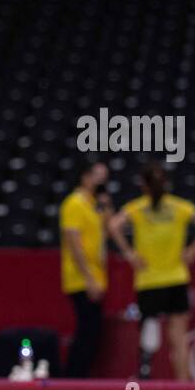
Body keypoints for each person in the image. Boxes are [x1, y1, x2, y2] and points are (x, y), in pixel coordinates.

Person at [107, 163, 195, 381]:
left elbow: (112, 225)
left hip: (149, 281)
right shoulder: (178, 206)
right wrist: (192, 251)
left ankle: (145, 383)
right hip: (175, 278)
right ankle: (184, 387)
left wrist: (129, 253)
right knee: (179, 338)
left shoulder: (138, 208)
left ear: (144, 185)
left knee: (149, 334)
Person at [59, 159, 111, 377]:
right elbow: (73, 244)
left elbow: (103, 239)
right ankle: (72, 377)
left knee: (93, 332)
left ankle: (79, 377)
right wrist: (88, 277)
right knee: (87, 331)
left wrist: (106, 210)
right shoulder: (74, 204)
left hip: (96, 277)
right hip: (81, 278)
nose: (102, 182)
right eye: (98, 177)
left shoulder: (93, 206)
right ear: (85, 177)